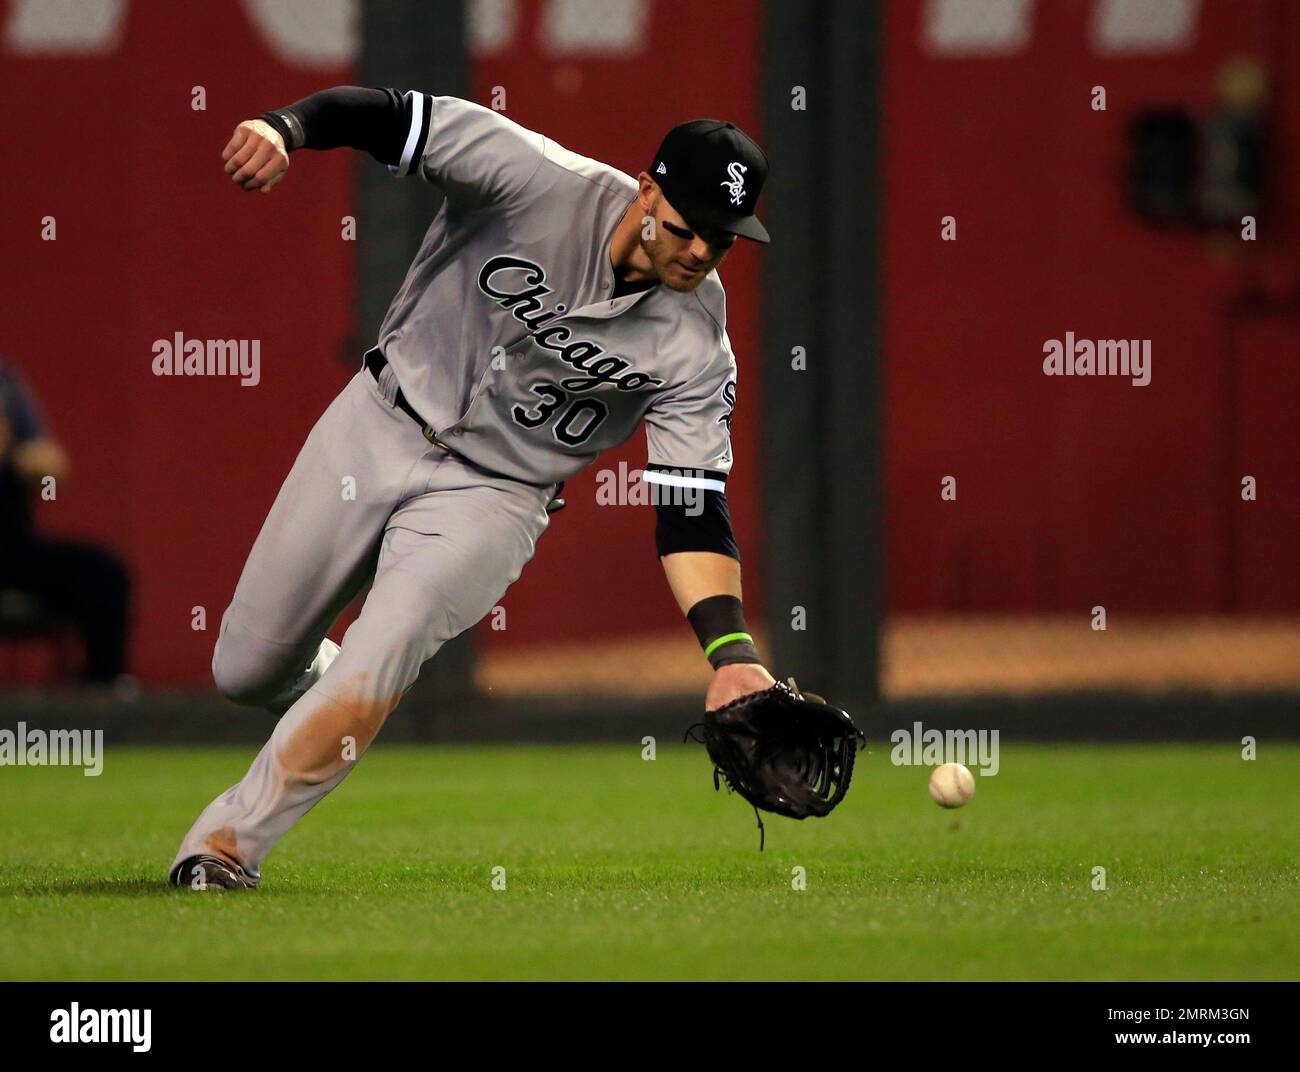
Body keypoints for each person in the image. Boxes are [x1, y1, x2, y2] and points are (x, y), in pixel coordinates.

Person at [170, 87, 776, 890]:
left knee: (380, 656)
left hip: (496, 496)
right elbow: (390, 115)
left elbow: (691, 512)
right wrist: (285, 128)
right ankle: (338, 688)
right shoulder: (535, 177)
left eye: (722, 241)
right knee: (243, 671)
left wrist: (731, 654)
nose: (700, 252)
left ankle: (223, 848)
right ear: (647, 189)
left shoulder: (698, 348)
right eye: (687, 225)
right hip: (379, 421)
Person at [0, 360, 132, 687]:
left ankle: (105, 695)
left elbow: (52, 466)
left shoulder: (7, 384)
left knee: (104, 572)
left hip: (9, 547)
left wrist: (10, 451)